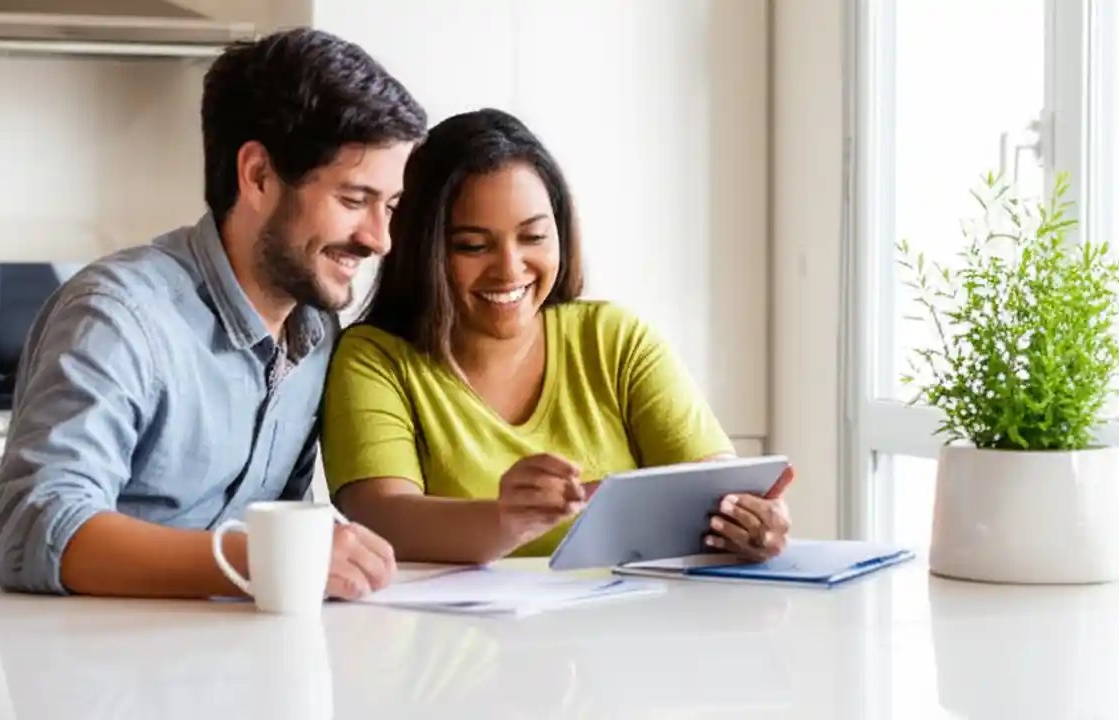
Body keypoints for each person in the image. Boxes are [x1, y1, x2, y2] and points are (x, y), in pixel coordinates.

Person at [0, 28, 426, 720]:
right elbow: (37, 528)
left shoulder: (317, 333)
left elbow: (274, 529)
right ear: (257, 175)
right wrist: (262, 560)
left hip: (191, 687)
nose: (379, 238)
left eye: (392, 206)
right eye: (354, 199)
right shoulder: (117, 315)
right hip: (45, 696)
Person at [321, 108, 792, 564]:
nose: (509, 268)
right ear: (422, 249)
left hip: (627, 630)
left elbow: (711, 483)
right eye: (473, 246)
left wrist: (749, 520)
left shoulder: (613, 339)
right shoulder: (375, 358)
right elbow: (382, 518)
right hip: (453, 641)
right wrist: (507, 521)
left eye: (534, 238)